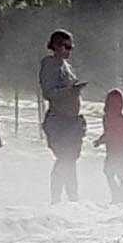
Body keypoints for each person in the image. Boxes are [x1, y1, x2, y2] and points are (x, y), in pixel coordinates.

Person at [38, 29, 86, 204]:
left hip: (72, 121)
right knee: (64, 158)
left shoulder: (67, 66)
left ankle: (72, 196)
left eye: (71, 47)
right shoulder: (49, 65)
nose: (69, 51)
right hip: (59, 120)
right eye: (66, 46)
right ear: (56, 46)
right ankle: (57, 197)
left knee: (70, 159)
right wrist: (70, 91)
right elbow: (48, 92)